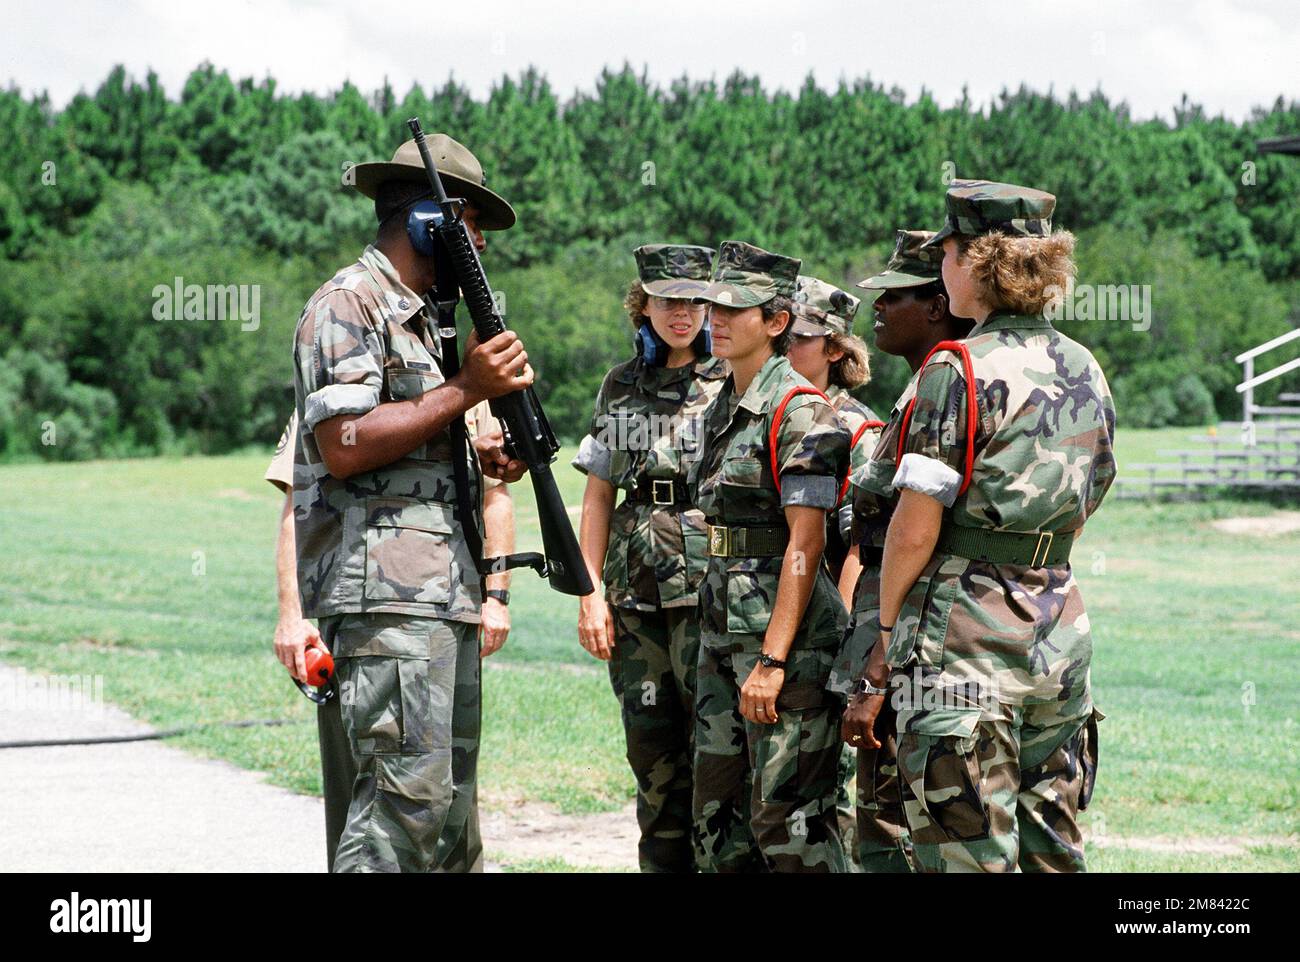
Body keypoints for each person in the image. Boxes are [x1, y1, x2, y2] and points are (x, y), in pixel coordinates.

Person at [850, 183, 1116, 873]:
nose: (941, 266)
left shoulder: (956, 366)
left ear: (975, 260)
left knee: (967, 851)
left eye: (945, 252)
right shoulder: (1084, 366)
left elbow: (914, 526)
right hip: (1060, 633)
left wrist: (886, 631)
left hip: (962, 639)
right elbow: (1093, 489)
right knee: (1050, 847)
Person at [291, 131, 534, 873]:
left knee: (449, 820)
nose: (482, 248)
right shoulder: (348, 304)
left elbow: (409, 438)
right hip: (388, 602)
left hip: (441, 594)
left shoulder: (427, 320)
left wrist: (480, 445)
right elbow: (346, 443)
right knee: (401, 813)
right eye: (473, 228)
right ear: (432, 223)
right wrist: (467, 391)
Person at [688, 240, 851, 873]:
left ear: (777, 322)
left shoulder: (800, 411)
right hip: (721, 633)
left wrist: (773, 659)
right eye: (712, 308)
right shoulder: (725, 402)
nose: (716, 320)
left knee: (789, 824)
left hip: (787, 646)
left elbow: (806, 546)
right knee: (717, 821)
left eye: (736, 309)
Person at [573, 244, 727, 873]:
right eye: (667, 300)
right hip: (634, 593)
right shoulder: (621, 383)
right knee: (653, 757)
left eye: (693, 300)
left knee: (716, 759)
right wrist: (588, 593)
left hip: (713, 589)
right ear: (645, 305)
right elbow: (597, 492)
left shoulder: (734, 376)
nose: (681, 313)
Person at [837, 228, 972, 872]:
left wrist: (878, 664)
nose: (877, 310)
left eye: (894, 296)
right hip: (902, 632)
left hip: (913, 636)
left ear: (938, 305)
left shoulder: (943, 389)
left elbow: (915, 533)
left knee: (893, 820)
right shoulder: (923, 386)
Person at [785, 274, 882, 865]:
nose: (785, 348)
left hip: (826, 629)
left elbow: (860, 545)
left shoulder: (857, 430)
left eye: (799, 337)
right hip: (764, 622)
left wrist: (840, 635)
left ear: (836, 349)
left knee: (821, 797)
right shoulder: (759, 409)